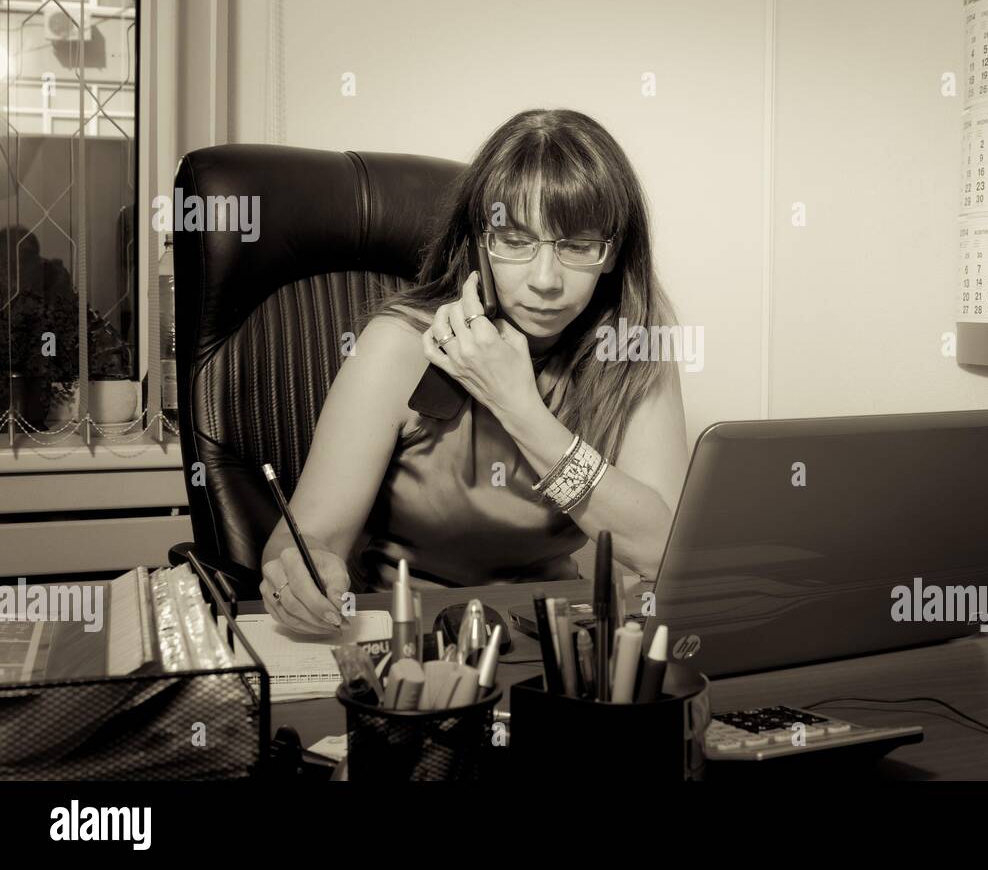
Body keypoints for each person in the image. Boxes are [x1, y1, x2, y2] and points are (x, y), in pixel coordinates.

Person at [259, 109, 689, 634]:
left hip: (553, 639)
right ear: (481, 241)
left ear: (611, 254)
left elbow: (661, 551)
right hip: (411, 640)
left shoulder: (634, 349)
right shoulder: (399, 345)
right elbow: (304, 539)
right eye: (515, 242)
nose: (545, 280)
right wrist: (304, 572)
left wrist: (520, 407)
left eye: (576, 246)